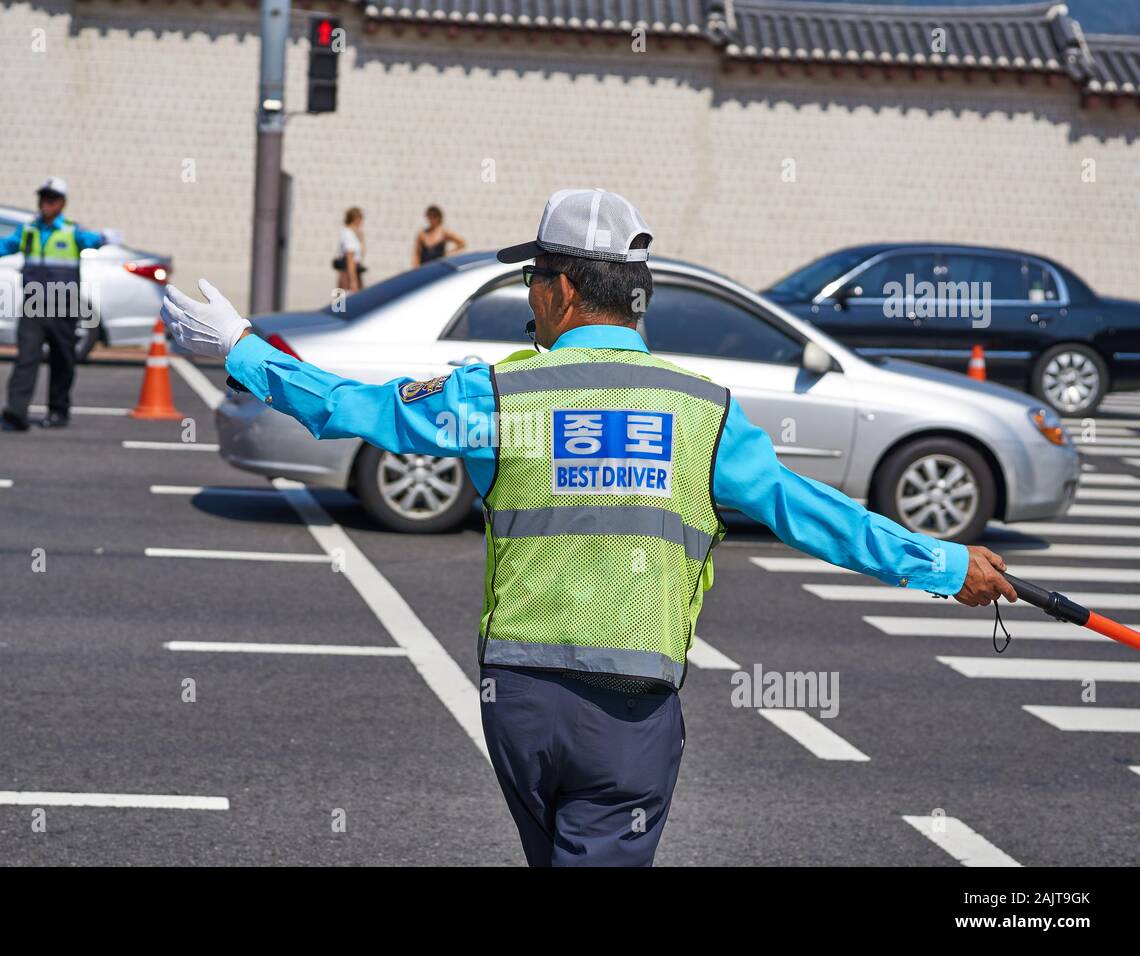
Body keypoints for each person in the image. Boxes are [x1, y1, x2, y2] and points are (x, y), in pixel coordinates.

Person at [161, 188, 1017, 867]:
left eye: (532, 278)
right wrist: (944, 565)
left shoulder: (503, 394)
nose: (528, 297)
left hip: (517, 706)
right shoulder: (703, 412)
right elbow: (818, 516)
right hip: (631, 714)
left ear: (562, 288)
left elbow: (356, 410)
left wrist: (244, 348)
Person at [0, 177, 121, 430]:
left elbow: (91, 240)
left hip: (64, 306)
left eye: (52, 199)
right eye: (43, 198)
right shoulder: (29, 231)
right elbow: (4, 246)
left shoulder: (71, 231)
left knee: (62, 360)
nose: (46, 203)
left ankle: (58, 411)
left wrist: (104, 238)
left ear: (62, 203)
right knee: (27, 358)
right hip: (33, 306)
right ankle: (16, 411)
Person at [333, 207, 365, 294]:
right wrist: (353, 281)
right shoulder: (348, 234)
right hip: (348, 274)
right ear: (355, 219)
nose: (362, 221)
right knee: (346, 303)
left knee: (343, 303)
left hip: (353, 272)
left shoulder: (355, 233)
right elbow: (350, 258)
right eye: (360, 218)